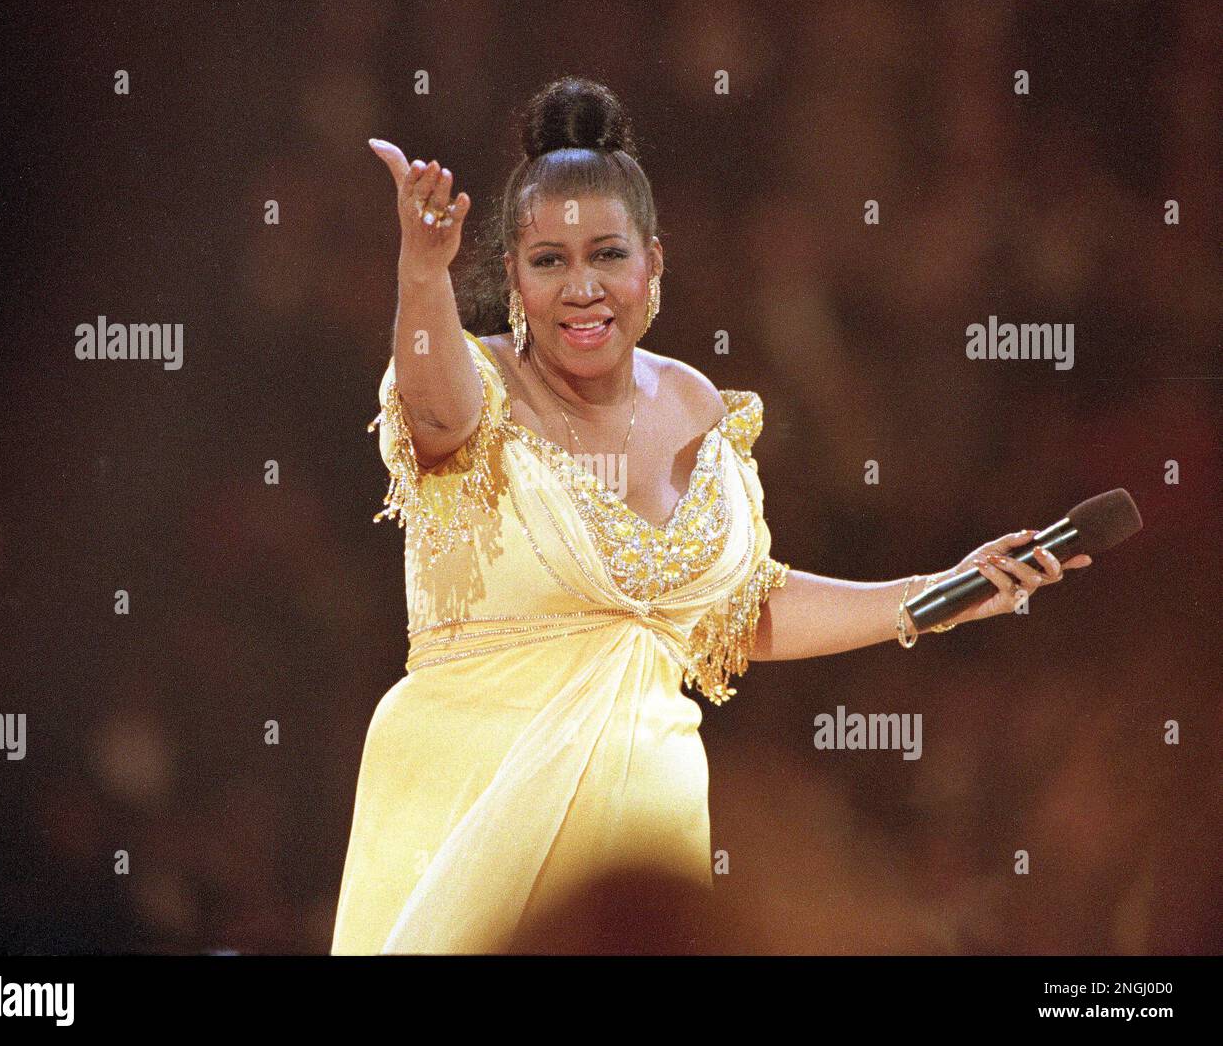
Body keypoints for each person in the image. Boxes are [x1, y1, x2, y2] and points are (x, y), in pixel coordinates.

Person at [330, 77, 1091, 955]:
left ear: (653, 262)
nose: (582, 288)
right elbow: (433, 412)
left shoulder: (693, 402)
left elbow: (738, 611)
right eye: (549, 261)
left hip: (648, 842)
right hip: (471, 818)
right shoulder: (477, 379)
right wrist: (420, 274)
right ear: (511, 276)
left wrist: (941, 590)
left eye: (607, 255)